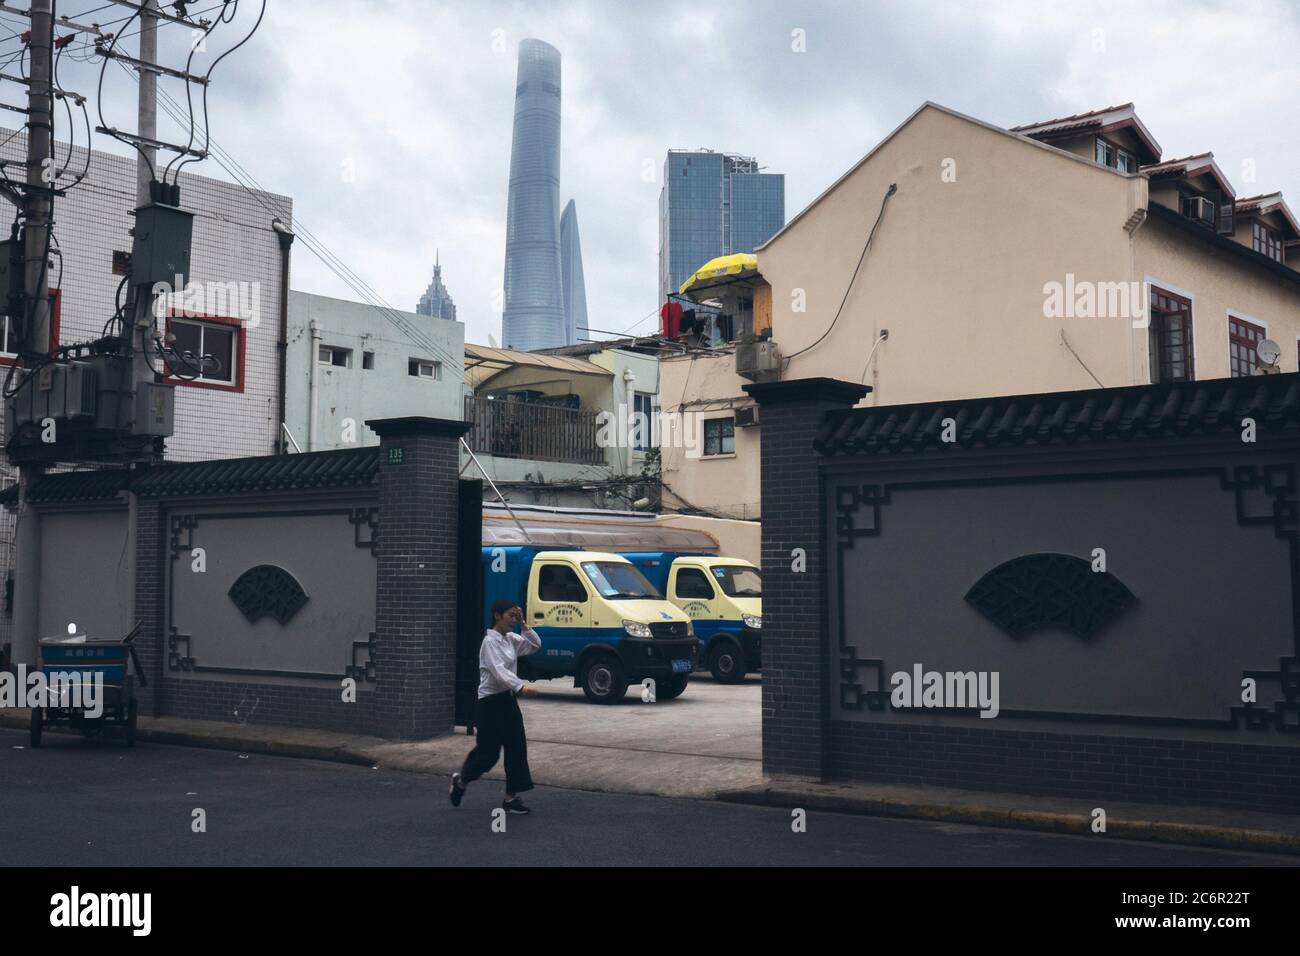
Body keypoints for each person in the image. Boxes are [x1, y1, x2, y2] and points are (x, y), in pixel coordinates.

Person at [449, 598, 541, 814]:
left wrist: (524, 624)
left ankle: (510, 799)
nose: (513, 620)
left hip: (507, 701)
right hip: (489, 703)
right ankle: (461, 781)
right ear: (497, 616)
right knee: (488, 754)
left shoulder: (510, 638)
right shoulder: (489, 642)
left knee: (517, 748)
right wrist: (520, 687)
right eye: (510, 616)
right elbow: (499, 672)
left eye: (515, 615)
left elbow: (534, 646)